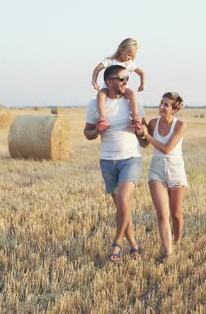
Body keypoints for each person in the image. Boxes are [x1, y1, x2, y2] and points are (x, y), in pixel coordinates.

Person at [84, 65, 148, 263]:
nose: (126, 82)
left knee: (122, 200)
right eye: (122, 79)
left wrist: (140, 131)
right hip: (107, 161)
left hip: (131, 158)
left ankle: (116, 245)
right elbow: (87, 133)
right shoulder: (95, 105)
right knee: (122, 207)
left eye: (127, 79)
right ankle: (134, 245)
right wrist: (98, 131)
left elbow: (145, 141)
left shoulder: (134, 103)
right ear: (109, 82)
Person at [140, 92, 188, 263]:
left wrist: (147, 135)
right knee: (162, 214)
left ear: (174, 109)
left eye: (166, 104)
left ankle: (177, 240)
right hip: (156, 170)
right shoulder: (153, 122)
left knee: (176, 213)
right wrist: (140, 130)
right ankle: (168, 252)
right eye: (161, 102)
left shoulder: (180, 125)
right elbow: (145, 144)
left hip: (175, 171)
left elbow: (166, 149)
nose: (161, 106)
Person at [91, 38, 146, 132]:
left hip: (123, 88)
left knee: (132, 94)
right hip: (109, 87)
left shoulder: (129, 63)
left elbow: (141, 73)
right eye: (129, 55)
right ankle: (102, 119)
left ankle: (135, 119)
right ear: (121, 50)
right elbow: (97, 69)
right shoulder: (109, 60)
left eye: (132, 56)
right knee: (100, 95)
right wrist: (94, 82)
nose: (130, 58)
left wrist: (142, 85)